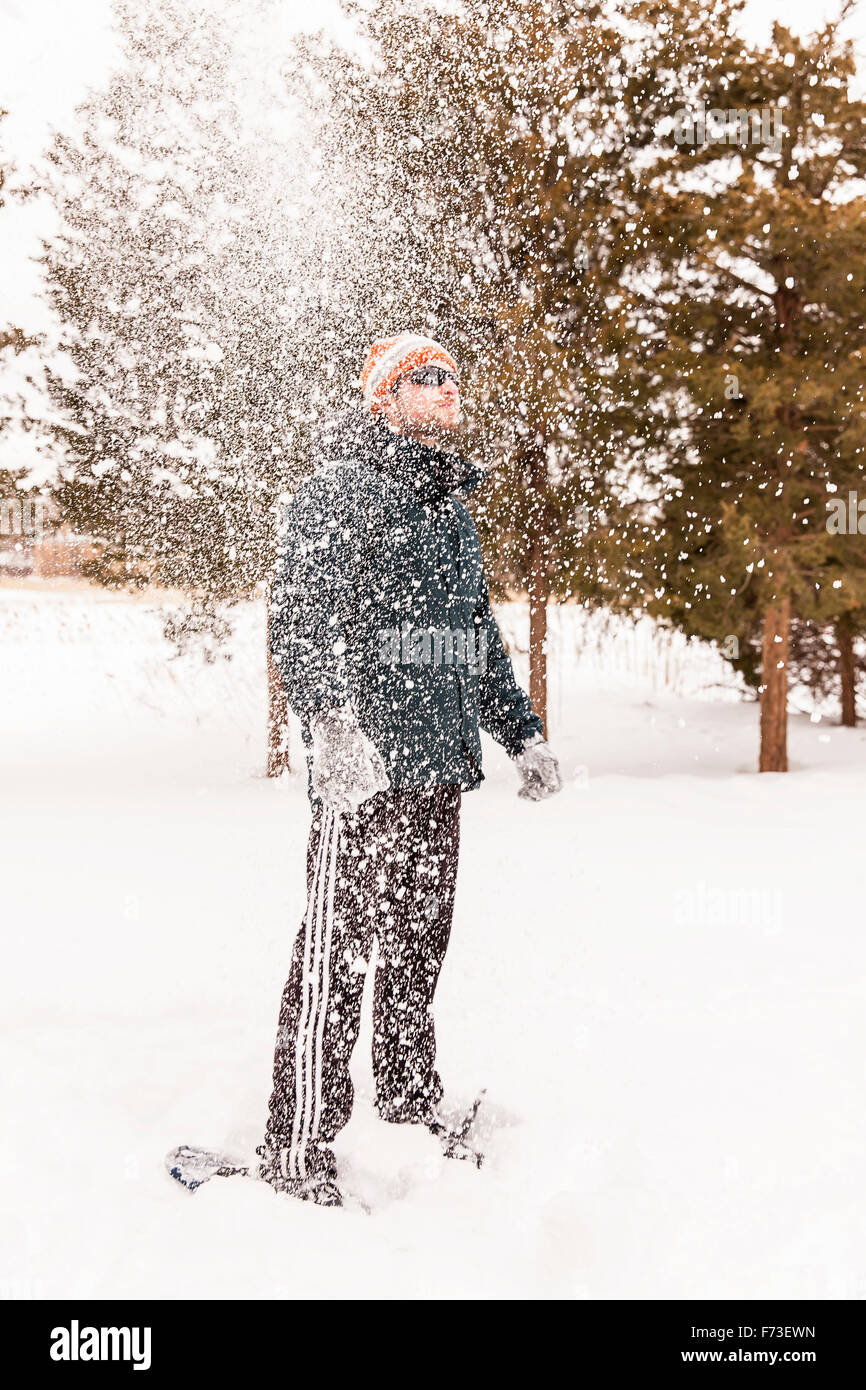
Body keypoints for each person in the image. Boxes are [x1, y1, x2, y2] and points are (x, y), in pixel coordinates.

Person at [258, 331, 562, 1205]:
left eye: (452, 376)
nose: (445, 387)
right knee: (333, 959)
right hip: (361, 772)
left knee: (417, 952)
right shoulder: (336, 492)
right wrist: (329, 722)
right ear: (382, 399)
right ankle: (296, 1142)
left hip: (438, 772)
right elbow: (301, 616)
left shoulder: (450, 508)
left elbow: (474, 637)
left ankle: (405, 1098)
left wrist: (522, 734)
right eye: (425, 378)